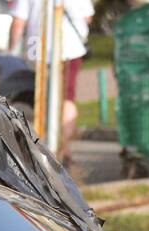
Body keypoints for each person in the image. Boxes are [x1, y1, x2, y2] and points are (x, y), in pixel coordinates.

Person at [9, 0, 95, 159]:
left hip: (38, 51)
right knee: (67, 98)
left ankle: (43, 147)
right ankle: (63, 146)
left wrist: (11, 50)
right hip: (70, 48)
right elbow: (87, 17)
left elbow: (18, 21)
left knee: (39, 98)